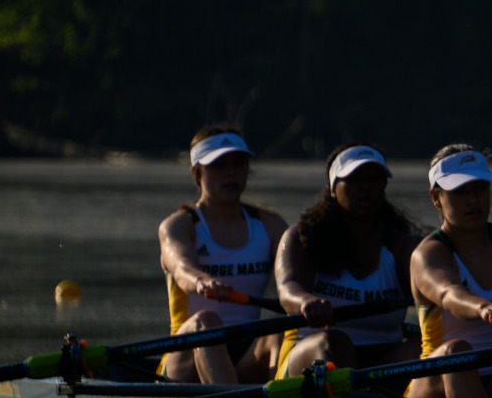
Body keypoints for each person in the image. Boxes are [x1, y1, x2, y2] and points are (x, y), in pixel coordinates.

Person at [404, 145, 492, 398]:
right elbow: (448, 294)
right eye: (460, 192)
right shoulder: (428, 254)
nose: (472, 200)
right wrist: (484, 308)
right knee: (457, 351)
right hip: (436, 383)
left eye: (479, 188)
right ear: (436, 198)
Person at [275, 144, 420, 378]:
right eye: (354, 179)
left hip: (384, 361)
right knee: (333, 342)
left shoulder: (403, 246)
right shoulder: (303, 237)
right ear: (333, 188)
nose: (366, 186)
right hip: (314, 354)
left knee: (429, 347)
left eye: (375, 178)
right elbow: (288, 288)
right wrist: (306, 302)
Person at [156, 128, 289, 383]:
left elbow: (297, 272)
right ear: (197, 172)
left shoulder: (270, 226)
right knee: (206, 321)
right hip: (184, 355)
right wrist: (201, 282)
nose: (231, 173)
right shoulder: (179, 226)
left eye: (238, 163)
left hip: (246, 353)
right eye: (218, 165)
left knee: (279, 329)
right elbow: (182, 268)